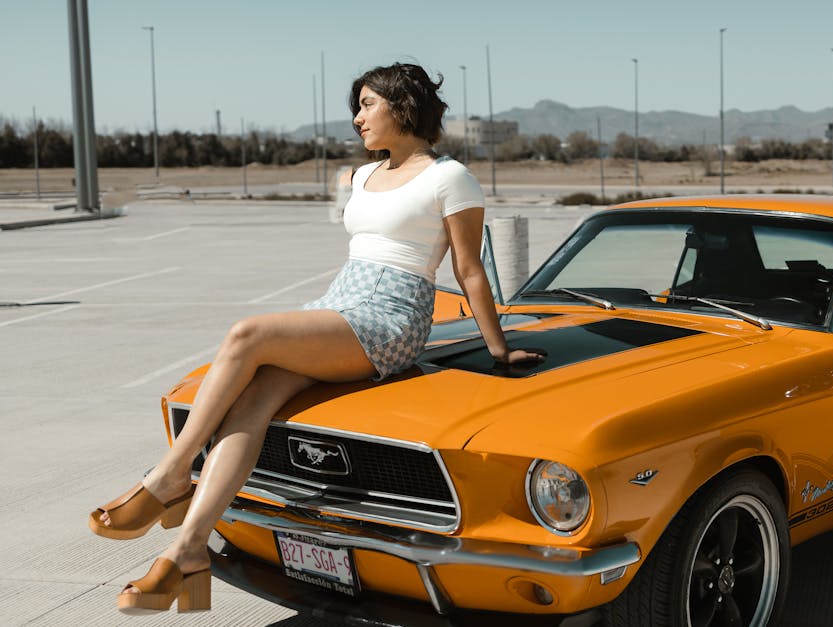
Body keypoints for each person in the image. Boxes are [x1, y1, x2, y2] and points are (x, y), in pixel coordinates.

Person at [87, 62, 544, 615]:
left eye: (368, 105)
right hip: (339, 304)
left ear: (403, 107)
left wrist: (499, 348)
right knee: (254, 399)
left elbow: (469, 270)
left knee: (246, 334)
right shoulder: (362, 176)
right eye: (358, 106)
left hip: (390, 316)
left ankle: (170, 475)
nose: (357, 118)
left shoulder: (450, 177)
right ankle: (187, 552)